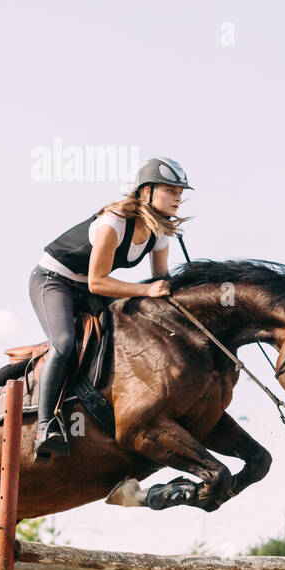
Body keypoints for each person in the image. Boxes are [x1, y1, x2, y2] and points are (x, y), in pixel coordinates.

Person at [29, 156, 194, 459]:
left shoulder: (159, 233)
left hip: (87, 285)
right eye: (170, 190)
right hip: (54, 281)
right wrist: (146, 290)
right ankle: (45, 426)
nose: (177, 198)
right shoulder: (114, 222)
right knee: (65, 342)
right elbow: (97, 282)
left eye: (180, 193)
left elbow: (161, 281)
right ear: (145, 192)